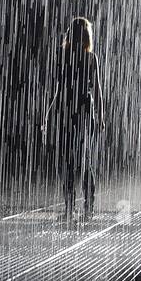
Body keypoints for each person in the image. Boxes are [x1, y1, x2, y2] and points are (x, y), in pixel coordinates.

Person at [41, 16, 105, 224]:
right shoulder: (89, 58)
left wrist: (48, 114)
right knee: (85, 162)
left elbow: (56, 90)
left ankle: (70, 208)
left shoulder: (62, 55)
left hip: (67, 111)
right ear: (87, 35)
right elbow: (98, 90)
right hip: (85, 111)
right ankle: (88, 207)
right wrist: (100, 115)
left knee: (67, 162)